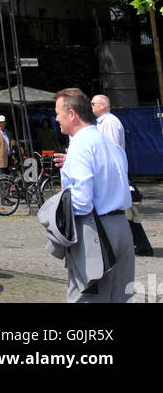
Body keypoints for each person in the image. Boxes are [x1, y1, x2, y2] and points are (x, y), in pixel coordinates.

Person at [52, 87, 133, 303]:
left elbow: (81, 202)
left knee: (86, 299)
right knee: (120, 297)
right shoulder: (110, 144)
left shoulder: (80, 145)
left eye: (58, 112)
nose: (56, 118)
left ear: (72, 114)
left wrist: (57, 223)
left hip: (94, 230)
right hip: (121, 228)